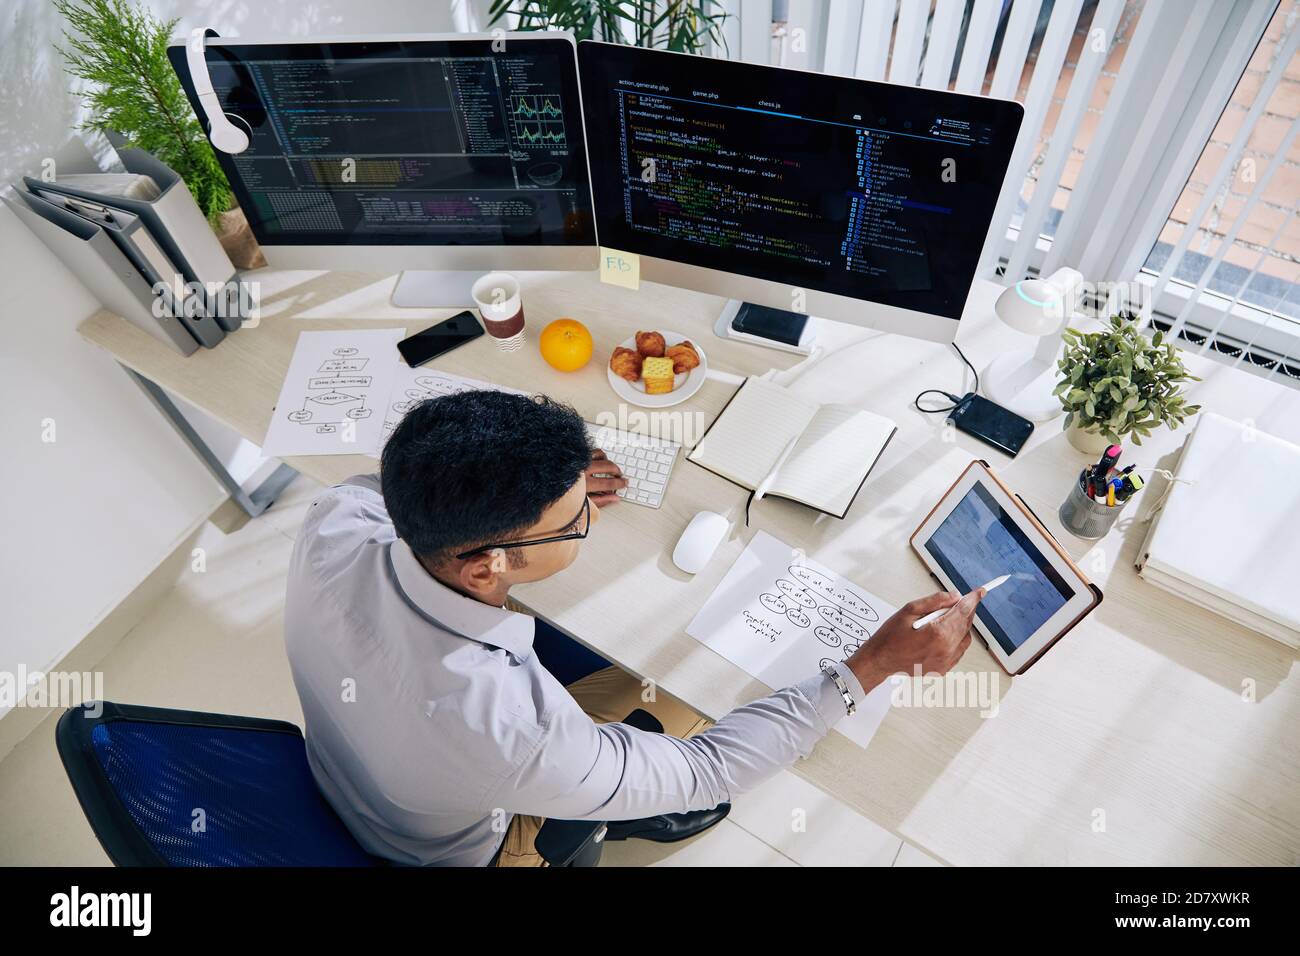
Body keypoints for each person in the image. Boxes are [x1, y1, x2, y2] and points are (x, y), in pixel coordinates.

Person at [283, 391, 982, 866]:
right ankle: (611, 811)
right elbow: (711, 768)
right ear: (485, 566)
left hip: (356, 769)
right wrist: (872, 665)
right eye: (574, 518)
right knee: (697, 689)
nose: (587, 515)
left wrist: (539, 489)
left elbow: (388, 482)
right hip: (461, 846)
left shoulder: (334, 520)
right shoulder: (512, 731)